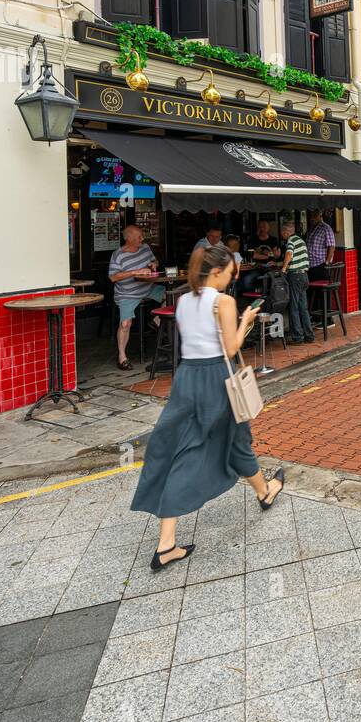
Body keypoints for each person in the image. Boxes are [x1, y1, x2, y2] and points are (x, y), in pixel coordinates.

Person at [130, 242, 285, 570]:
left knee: (228, 438)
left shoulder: (183, 301)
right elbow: (230, 349)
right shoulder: (224, 301)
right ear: (216, 271)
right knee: (194, 451)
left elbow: (193, 342)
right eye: (230, 273)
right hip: (216, 377)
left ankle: (265, 491)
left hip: (187, 378)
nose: (231, 279)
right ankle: (165, 543)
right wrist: (246, 320)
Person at [108, 224, 165, 371]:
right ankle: (122, 357)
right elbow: (113, 277)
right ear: (129, 238)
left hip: (148, 288)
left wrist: (154, 264)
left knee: (173, 296)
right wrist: (135, 272)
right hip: (128, 293)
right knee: (125, 324)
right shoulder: (118, 254)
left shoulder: (145, 248)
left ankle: (157, 319)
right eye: (139, 236)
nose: (142, 238)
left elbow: (155, 261)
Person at [281, 219, 314, 343]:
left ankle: (297, 337)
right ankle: (309, 335)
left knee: (294, 307)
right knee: (303, 307)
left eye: (282, 231)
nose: (281, 234)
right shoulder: (300, 240)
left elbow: (289, 255)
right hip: (304, 276)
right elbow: (296, 258)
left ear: (286, 231)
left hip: (295, 277)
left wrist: (283, 268)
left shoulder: (291, 240)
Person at [307, 209, 336, 282]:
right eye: (311, 216)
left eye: (315, 216)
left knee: (320, 291)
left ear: (320, 216)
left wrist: (327, 262)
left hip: (321, 265)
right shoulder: (311, 228)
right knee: (311, 289)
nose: (312, 218)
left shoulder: (326, 228)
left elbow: (332, 246)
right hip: (310, 265)